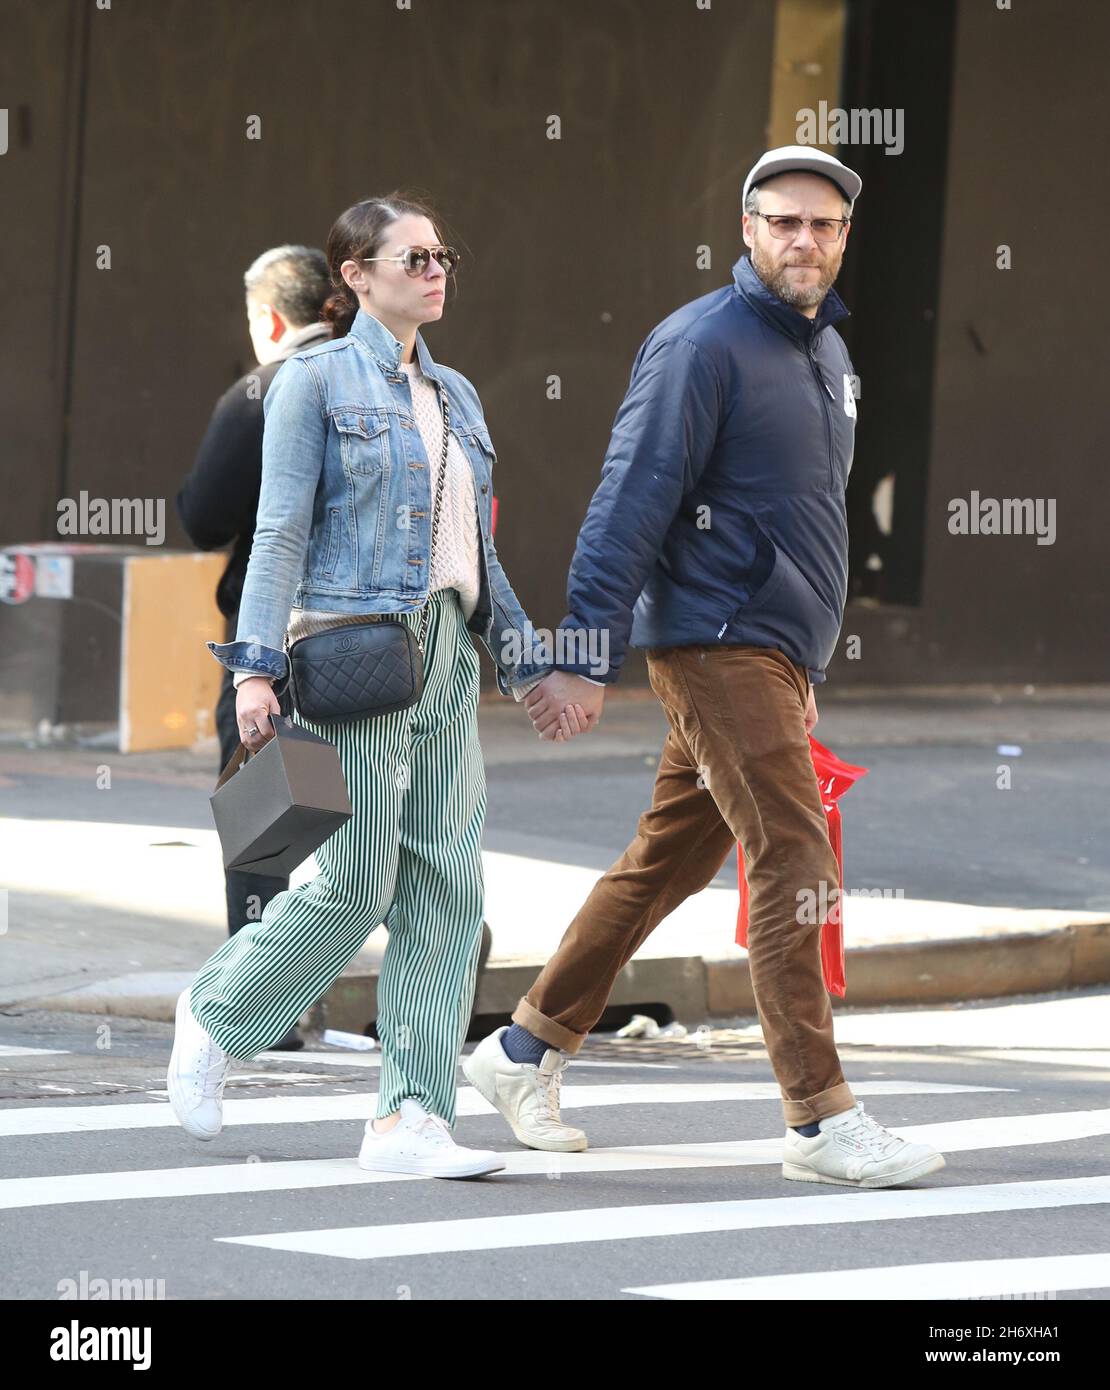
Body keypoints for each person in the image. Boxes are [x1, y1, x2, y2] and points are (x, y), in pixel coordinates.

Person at [465, 146, 947, 1190]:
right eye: (784, 222)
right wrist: (583, 653)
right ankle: (820, 1118)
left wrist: (803, 657)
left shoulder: (827, 355)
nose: (803, 241)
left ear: (844, 238)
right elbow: (627, 499)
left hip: (771, 650)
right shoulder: (700, 345)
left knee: (670, 859)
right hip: (715, 639)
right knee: (793, 854)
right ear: (747, 228)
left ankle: (524, 1047)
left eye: (822, 226)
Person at [167, 192, 586, 1178]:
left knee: (447, 883)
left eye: (444, 255)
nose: (436, 270)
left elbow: (476, 553)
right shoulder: (308, 382)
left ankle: (411, 1116)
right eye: (414, 257)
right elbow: (276, 531)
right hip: (354, 650)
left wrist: (530, 665)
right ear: (355, 277)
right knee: (355, 879)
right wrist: (256, 667)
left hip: (444, 652)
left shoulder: (460, 397)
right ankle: (217, 1010)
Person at [176, 245, 332, 1051]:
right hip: (384, 647)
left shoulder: (265, 388)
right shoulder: (399, 380)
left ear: (270, 318)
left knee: (265, 817)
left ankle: (258, 1007)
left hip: (278, 639)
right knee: (369, 812)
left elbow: (202, 515)